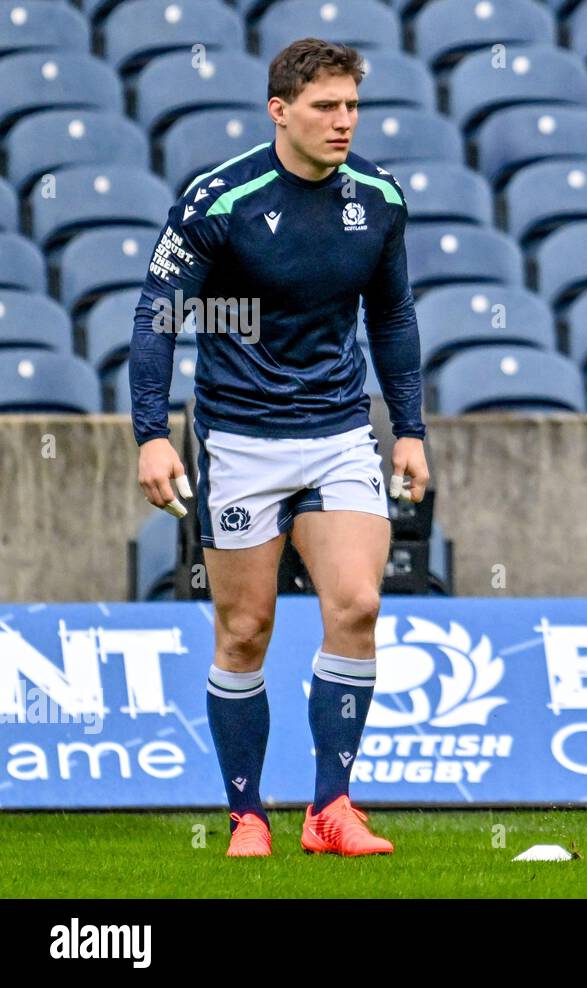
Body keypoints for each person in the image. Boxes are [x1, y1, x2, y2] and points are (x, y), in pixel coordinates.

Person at [130, 38, 428, 857]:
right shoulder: (217, 200)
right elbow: (158, 317)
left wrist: (409, 430)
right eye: (326, 107)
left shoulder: (378, 197)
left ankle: (332, 809)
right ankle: (247, 814)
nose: (344, 122)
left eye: (353, 106)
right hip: (239, 439)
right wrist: (153, 436)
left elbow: (393, 317)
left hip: (338, 431)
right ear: (280, 111)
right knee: (245, 629)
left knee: (358, 606)